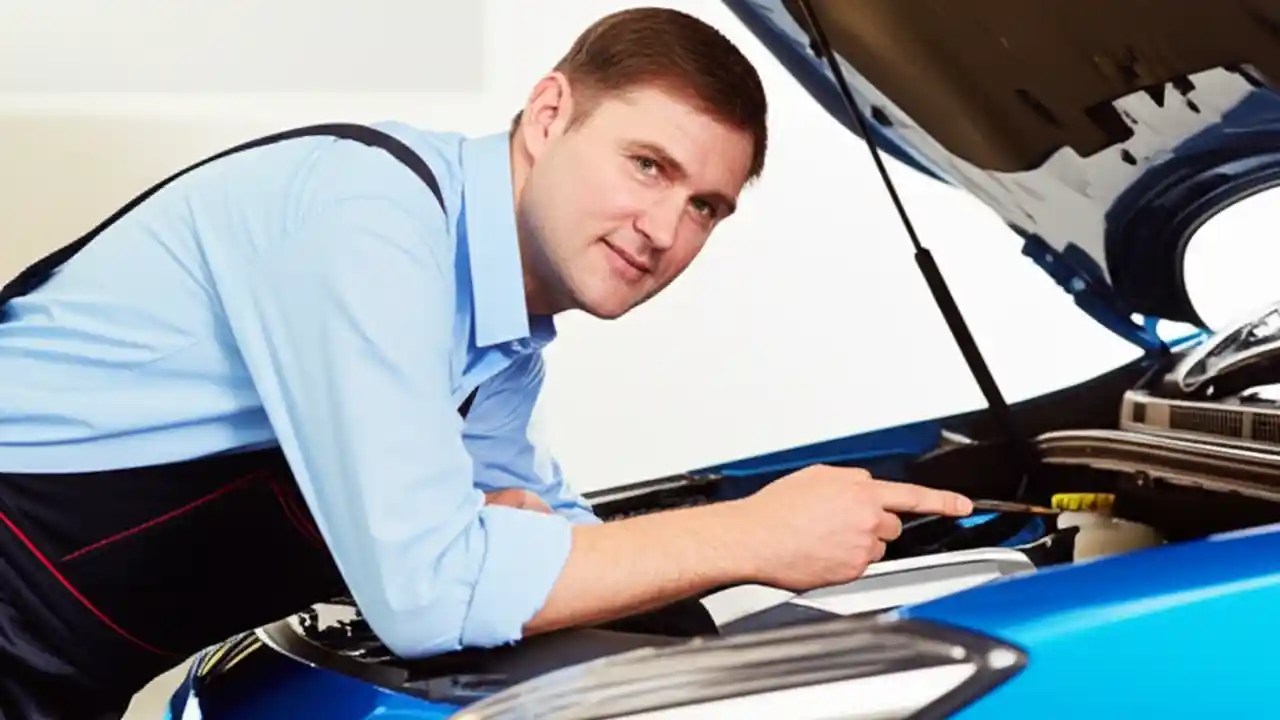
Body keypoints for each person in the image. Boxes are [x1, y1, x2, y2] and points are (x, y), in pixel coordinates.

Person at [0, 7, 973, 718]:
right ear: (548, 115)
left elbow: (554, 537)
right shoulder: (371, 225)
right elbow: (435, 589)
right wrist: (753, 534)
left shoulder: (498, 345)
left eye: (704, 208)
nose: (664, 229)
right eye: (647, 165)